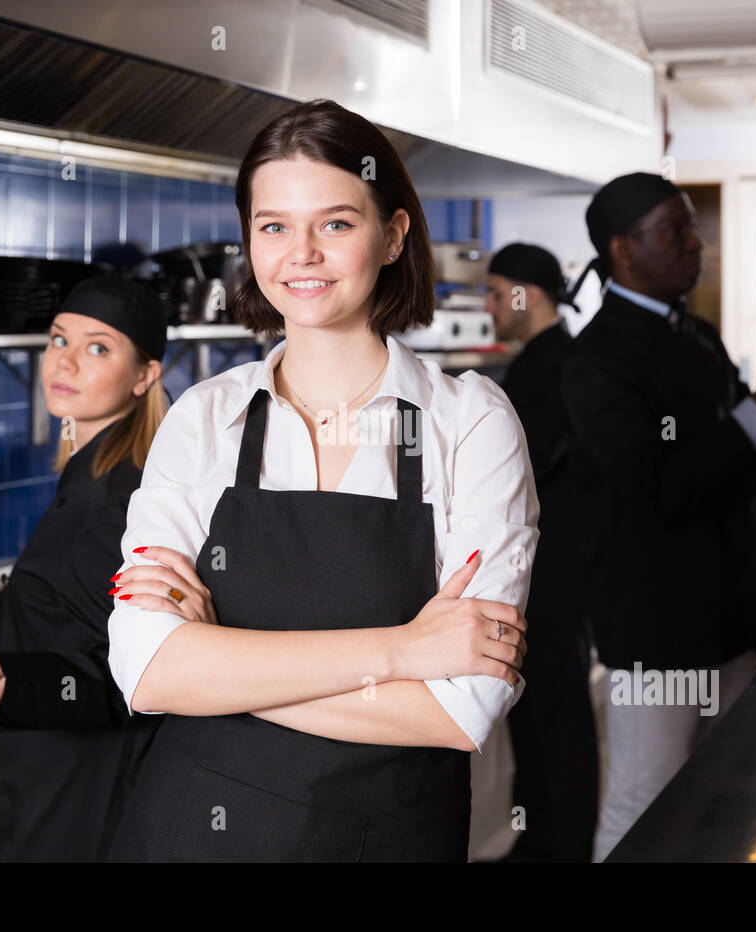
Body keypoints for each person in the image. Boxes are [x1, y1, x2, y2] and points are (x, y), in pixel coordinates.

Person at [104, 99, 539, 863]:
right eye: (273, 225)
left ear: (393, 234)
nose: (299, 253)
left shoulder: (468, 421)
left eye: (335, 223)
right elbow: (147, 670)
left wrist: (222, 664)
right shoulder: (206, 418)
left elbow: (459, 706)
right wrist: (406, 651)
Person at [559, 173, 756, 862]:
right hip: (658, 634)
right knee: (643, 802)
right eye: (674, 229)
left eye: (690, 227)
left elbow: (743, 460)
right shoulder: (594, 361)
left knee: (725, 794)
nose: (694, 243)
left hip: (732, 616)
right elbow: (657, 487)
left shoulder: (696, 335)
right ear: (623, 249)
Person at [0, 276, 170, 862]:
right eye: (57, 339)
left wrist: (12, 682)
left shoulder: (115, 501)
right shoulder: (94, 475)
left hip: (73, 795)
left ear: (144, 375)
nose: (65, 361)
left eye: (98, 347)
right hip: (54, 780)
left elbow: (131, 673)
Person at [485, 243, 599, 861]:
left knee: (554, 723)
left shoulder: (557, 365)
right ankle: (544, 842)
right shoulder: (547, 360)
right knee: (543, 720)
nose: (491, 306)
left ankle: (557, 848)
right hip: (547, 574)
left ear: (529, 293)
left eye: (497, 293)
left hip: (551, 579)